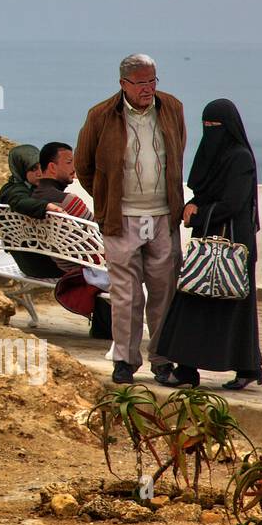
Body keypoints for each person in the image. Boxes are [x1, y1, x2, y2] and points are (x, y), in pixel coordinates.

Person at [75, 53, 186, 385]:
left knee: (164, 291)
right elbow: (84, 165)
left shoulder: (172, 108)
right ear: (123, 83)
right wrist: (107, 199)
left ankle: (163, 362)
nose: (148, 89)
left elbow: (179, 150)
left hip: (163, 217)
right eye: (141, 83)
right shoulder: (100, 115)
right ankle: (124, 361)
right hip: (121, 219)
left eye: (153, 81)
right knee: (126, 295)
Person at [156, 100, 262, 389]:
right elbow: (204, 192)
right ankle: (187, 370)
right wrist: (194, 205)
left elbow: (233, 202)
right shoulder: (214, 156)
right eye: (206, 126)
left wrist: (200, 213)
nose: (210, 132)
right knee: (192, 302)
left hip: (233, 246)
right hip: (207, 242)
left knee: (236, 306)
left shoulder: (240, 158)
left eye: (215, 126)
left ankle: (247, 368)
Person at [35, 141, 113, 337]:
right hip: (75, 264)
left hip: (56, 259)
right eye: (69, 163)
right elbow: (99, 231)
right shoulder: (68, 202)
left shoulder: (34, 197)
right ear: (52, 167)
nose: (74, 168)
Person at [0, 144, 64, 279]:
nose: (39, 172)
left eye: (40, 166)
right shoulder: (14, 191)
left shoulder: (24, 188)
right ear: (21, 169)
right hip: (38, 263)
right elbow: (20, 202)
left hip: (32, 258)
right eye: (33, 169)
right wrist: (47, 206)